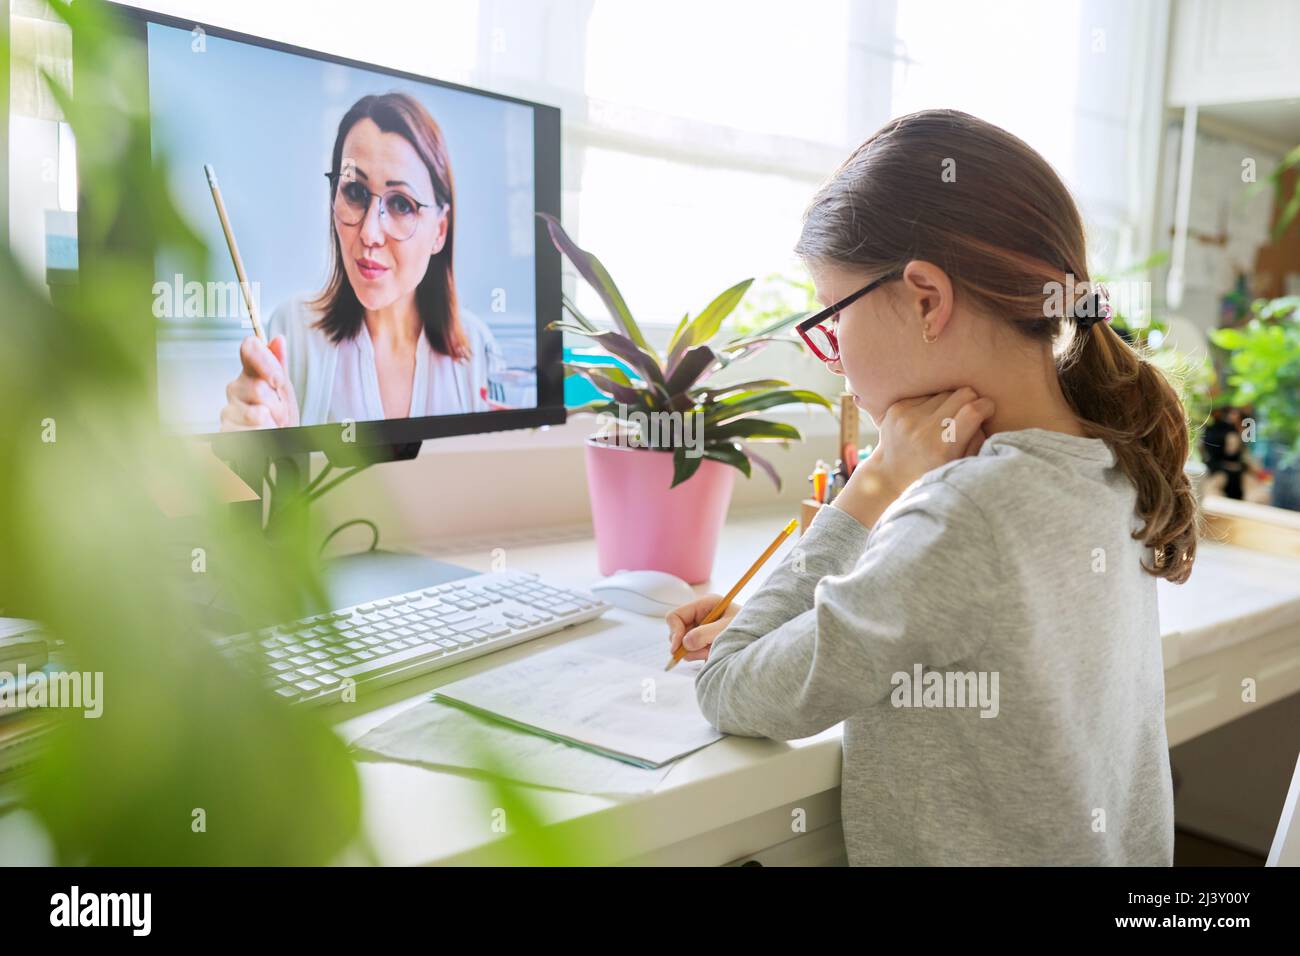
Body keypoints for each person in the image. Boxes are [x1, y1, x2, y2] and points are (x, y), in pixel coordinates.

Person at [668, 109, 1197, 866]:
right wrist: (777, 621)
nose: (832, 359)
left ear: (925, 298)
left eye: (832, 318)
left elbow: (729, 686)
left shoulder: (966, 514)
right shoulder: (1111, 460)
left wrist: (874, 483)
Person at [220, 92, 502, 430]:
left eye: (401, 205)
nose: (369, 233)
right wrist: (253, 449)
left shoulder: (476, 350)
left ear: (440, 230)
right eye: (354, 192)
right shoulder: (291, 333)